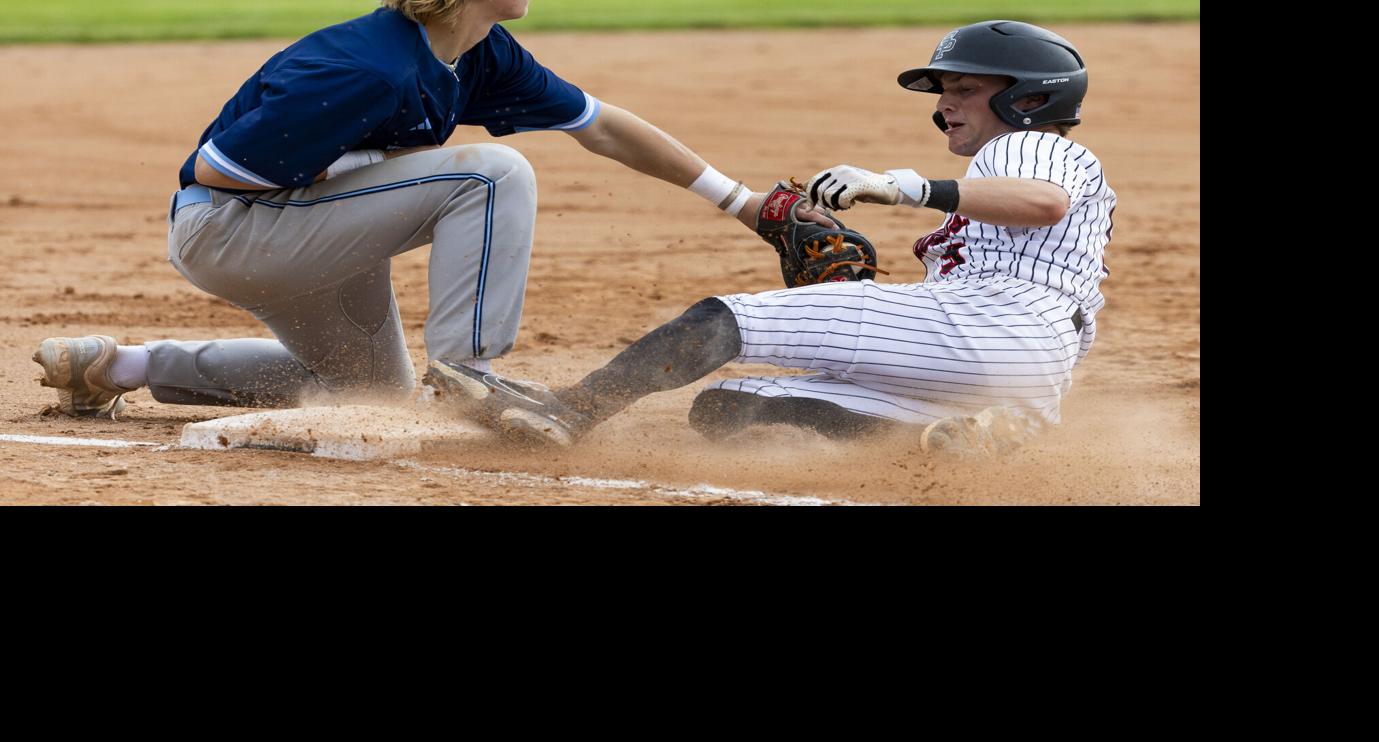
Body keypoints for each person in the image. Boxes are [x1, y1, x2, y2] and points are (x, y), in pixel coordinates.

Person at [31, 0, 821, 422]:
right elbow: (217, 169)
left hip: (307, 238)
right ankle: (468, 375)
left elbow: (601, 126)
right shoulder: (366, 69)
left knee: (369, 395)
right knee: (489, 175)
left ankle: (118, 366)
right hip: (233, 230)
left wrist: (743, 203)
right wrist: (369, 166)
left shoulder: (477, 52)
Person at [428, 20, 1117, 457]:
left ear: (1030, 99)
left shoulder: (1029, 146)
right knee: (731, 409)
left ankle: (567, 413)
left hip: (994, 325)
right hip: (1022, 366)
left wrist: (900, 186)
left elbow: (1043, 202)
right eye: (943, 91)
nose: (944, 104)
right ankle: (961, 438)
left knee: (722, 320)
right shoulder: (1017, 162)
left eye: (963, 89)